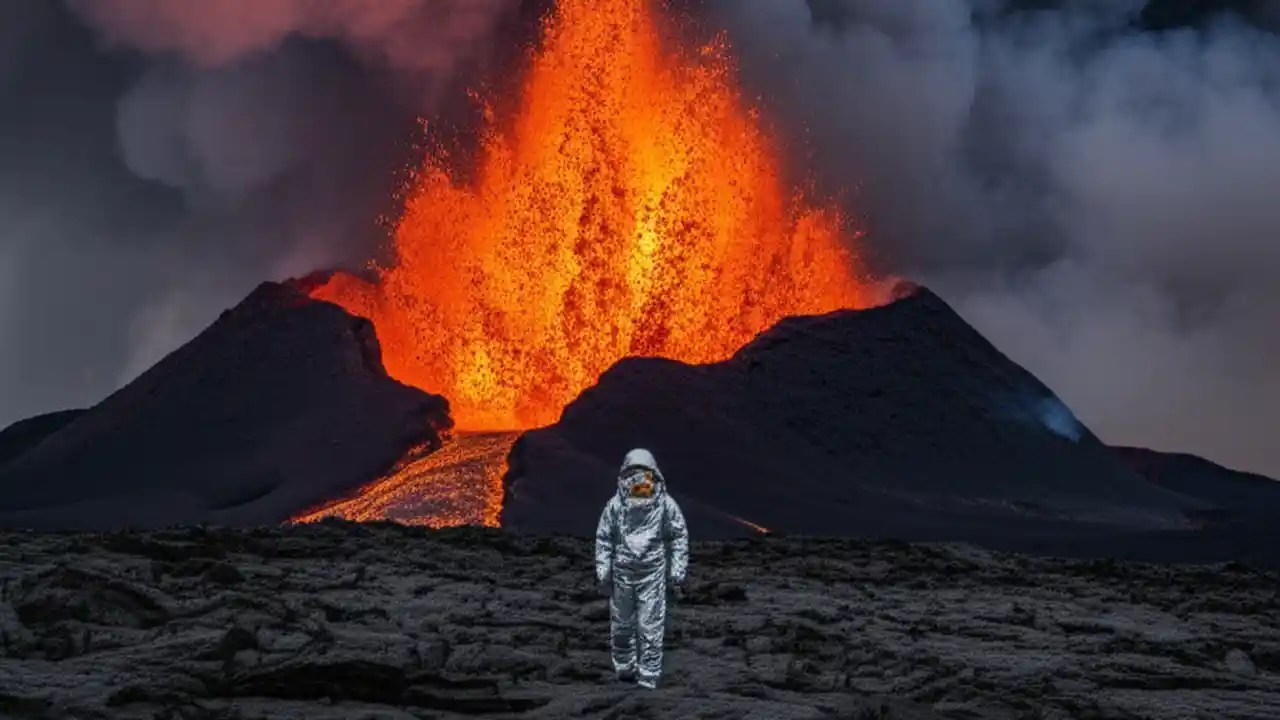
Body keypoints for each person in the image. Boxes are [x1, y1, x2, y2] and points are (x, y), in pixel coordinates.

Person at [594, 448, 689, 689]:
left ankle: (647, 675)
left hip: (650, 572)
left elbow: (678, 536)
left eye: (643, 473)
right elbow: (604, 538)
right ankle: (627, 668)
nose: (639, 479)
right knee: (623, 624)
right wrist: (604, 570)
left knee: (650, 626)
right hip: (624, 572)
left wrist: (677, 573)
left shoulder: (664, 505)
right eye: (634, 473)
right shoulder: (617, 506)